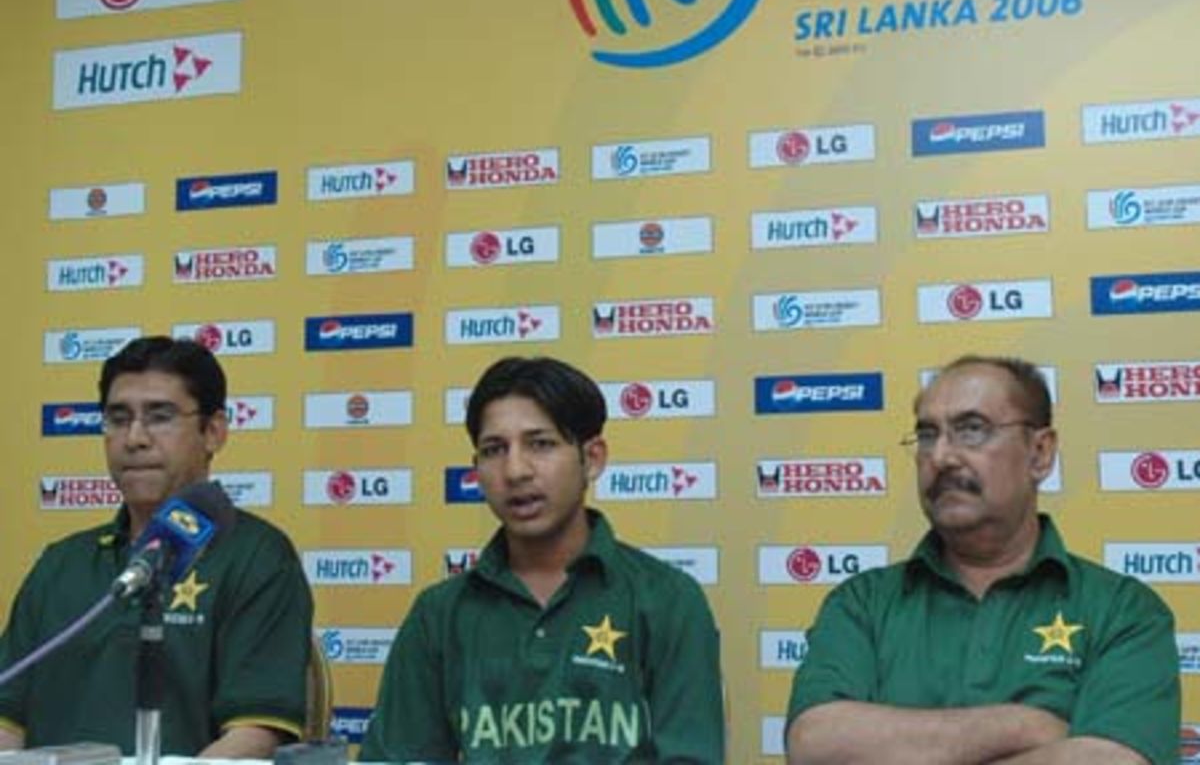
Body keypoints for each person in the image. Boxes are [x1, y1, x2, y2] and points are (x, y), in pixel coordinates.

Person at [785, 354, 1180, 765]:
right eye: (926, 435)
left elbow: (1112, 760)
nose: (941, 457)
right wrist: (1027, 726)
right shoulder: (862, 604)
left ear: (1040, 453)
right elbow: (815, 743)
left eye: (971, 430)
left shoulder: (1123, 611)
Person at [362, 355, 724, 763]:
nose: (515, 470)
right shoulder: (438, 615)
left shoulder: (668, 601)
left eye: (541, 444)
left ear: (592, 458)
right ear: (476, 469)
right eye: (494, 449)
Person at [0, 336, 313, 758]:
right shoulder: (61, 563)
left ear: (214, 431)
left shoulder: (257, 557)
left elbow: (255, 735)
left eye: (160, 417)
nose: (134, 438)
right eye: (118, 418)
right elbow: (7, 724)